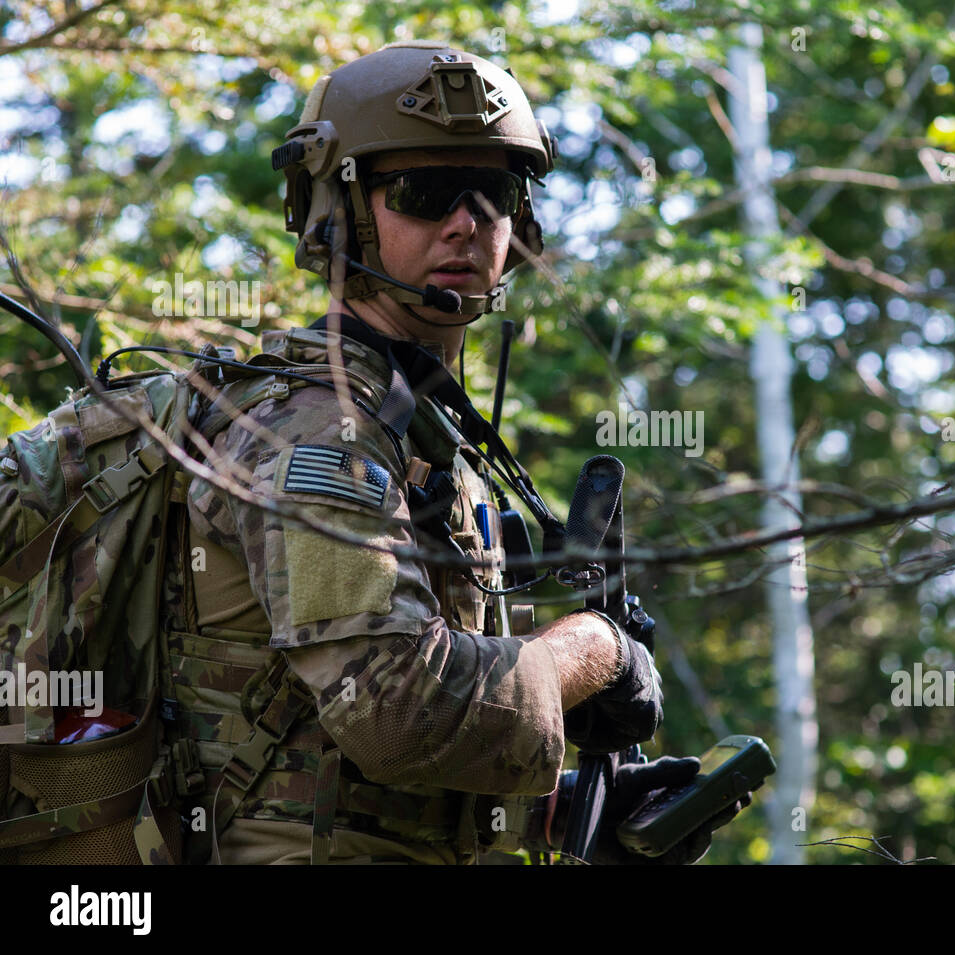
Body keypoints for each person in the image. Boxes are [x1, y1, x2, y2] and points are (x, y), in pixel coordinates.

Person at [161, 41, 745, 864]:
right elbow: (394, 708)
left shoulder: (423, 433)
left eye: (495, 194)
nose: (467, 222)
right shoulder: (323, 429)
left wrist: (559, 811)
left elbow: (320, 747)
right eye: (426, 192)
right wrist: (595, 651)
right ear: (341, 211)